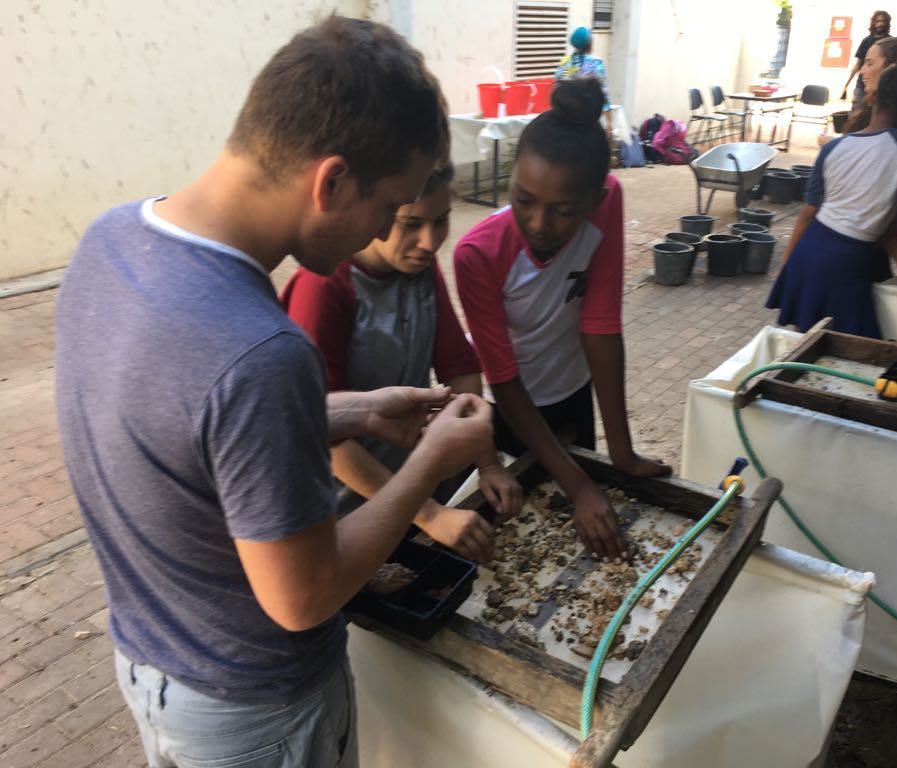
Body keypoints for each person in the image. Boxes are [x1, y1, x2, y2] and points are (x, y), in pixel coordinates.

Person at [54, 16, 495, 768]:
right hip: (254, 711)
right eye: (391, 206)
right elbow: (304, 596)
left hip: (153, 665)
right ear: (331, 182)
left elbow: (190, 428)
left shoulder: (110, 240)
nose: (391, 228)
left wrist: (351, 410)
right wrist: (429, 467)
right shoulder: (263, 350)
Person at [454, 79, 670, 560]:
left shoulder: (609, 200)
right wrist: (578, 486)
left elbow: (600, 324)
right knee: (523, 543)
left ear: (594, 200)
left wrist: (621, 454)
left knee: (584, 535)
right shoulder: (476, 255)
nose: (538, 224)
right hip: (510, 411)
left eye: (564, 212)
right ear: (510, 176)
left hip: (572, 393)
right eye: (524, 200)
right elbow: (503, 377)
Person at [282, 163, 522, 563]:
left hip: (409, 490)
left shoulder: (420, 270)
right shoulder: (324, 286)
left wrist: (489, 463)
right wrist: (430, 515)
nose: (429, 242)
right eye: (410, 222)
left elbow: (459, 369)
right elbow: (322, 436)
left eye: (441, 220)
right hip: (340, 515)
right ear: (377, 212)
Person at [767, 39, 897, 338]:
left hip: (810, 252)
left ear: (873, 97)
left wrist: (788, 263)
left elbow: (808, 215)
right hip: (848, 262)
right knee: (849, 349)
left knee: (809, 346)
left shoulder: (835, 147)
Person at [555, 27, 612, 135]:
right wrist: (609, 123)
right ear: (590, 45)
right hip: (588, 120)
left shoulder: (564, 62)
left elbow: (556, 90)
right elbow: (604, 96)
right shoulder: (596, 63)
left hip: (565, 119)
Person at [840, 10, 892, 111]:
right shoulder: (866, 41)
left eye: (883, 21)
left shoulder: (890, 42)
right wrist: (846, 85)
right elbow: (858, 65)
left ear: (887, 23)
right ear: (873, 23)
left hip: (881, 87)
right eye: (878, 21)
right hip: (862, 84)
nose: (880, 24)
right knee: (857, 112)